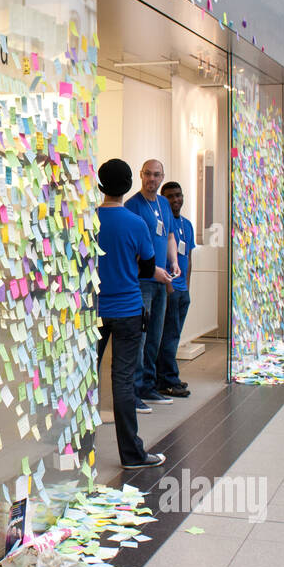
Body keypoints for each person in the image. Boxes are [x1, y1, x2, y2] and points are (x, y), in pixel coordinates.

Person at [96, 158, 168, 468]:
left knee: (85, 378)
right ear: (128, 187)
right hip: (127, 309)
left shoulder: (89, 221)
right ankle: (132, 454)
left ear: (101, 186)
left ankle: (73, 448)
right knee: (122, 382)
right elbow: (149, 268)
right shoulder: (136, 223)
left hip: (93, 312)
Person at [125, 160, 180, 409]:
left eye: (157, 175)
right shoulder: (133, 206)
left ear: (162, 177)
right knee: (141, 337)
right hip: (144, 281)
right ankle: (135, 389)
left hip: (161, 281)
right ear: (140, 175)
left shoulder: (164, 204)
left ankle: (148, 385)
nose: (152, 179)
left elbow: (169, 235)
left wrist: (173, 261)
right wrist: (152, 270)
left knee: (155, 336)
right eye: (148, 174)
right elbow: (131, 247)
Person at [157, 181, 194, 398]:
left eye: (178, 195)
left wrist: (187, 288)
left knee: (175, 335)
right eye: (170, 196)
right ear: (163, 199)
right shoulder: (163, 224)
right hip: (169, 290)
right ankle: (167, 380)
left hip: (182, 291)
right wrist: (170, 286)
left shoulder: (187, 225)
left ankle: (170, 376)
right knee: (168, 337)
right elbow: (162, 257)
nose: (176, 200)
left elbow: (188, 256)